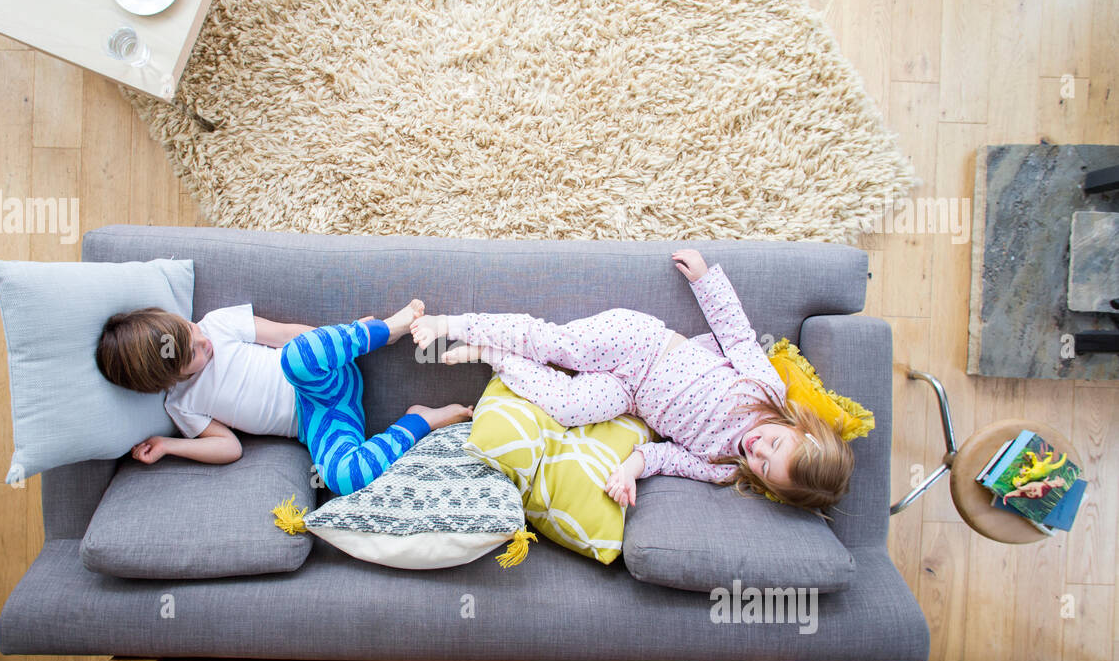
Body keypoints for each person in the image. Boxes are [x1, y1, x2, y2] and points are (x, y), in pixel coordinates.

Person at [410, 249, 854, 517]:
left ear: (766, 485)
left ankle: (494, 355)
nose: (757, 450)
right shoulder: (766, 391)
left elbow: (663, 457)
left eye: (764, 466)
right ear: (795, 426)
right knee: (557, 345)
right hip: (640, 346)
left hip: (629, 398)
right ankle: (456, 324)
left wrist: (628, 473)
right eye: (773, 444)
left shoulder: (722, 468)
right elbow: (736, 334)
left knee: (567, 407)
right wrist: (705, 279)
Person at [95, 299, 473, 495]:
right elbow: (229, 448)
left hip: (324, 376)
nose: (203, 341)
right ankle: (421, 419)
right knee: (341, 479)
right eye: (192, 354)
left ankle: (388, 330)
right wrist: (168, 445)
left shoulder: (218, 325)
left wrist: (353, 337)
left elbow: (291, 336)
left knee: (295, 358)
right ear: (166, 378)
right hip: (322, 423)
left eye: (190, 329)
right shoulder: (181, 405)